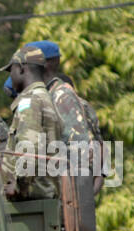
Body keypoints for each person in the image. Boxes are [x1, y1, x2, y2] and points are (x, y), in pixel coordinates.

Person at [32, 39, 103, 188]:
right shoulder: (49, 95)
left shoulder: (61, 96)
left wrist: (75, 196)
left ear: (45, 64)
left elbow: (79, 152)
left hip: (70, 190)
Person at [0, 44, 61, 200]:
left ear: (21, 68)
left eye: (11, 70)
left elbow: (29, 146)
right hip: (44, 197)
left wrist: (19, 186)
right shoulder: (45, 97)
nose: (10, 77)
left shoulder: (30, 100)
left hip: (30, 201)